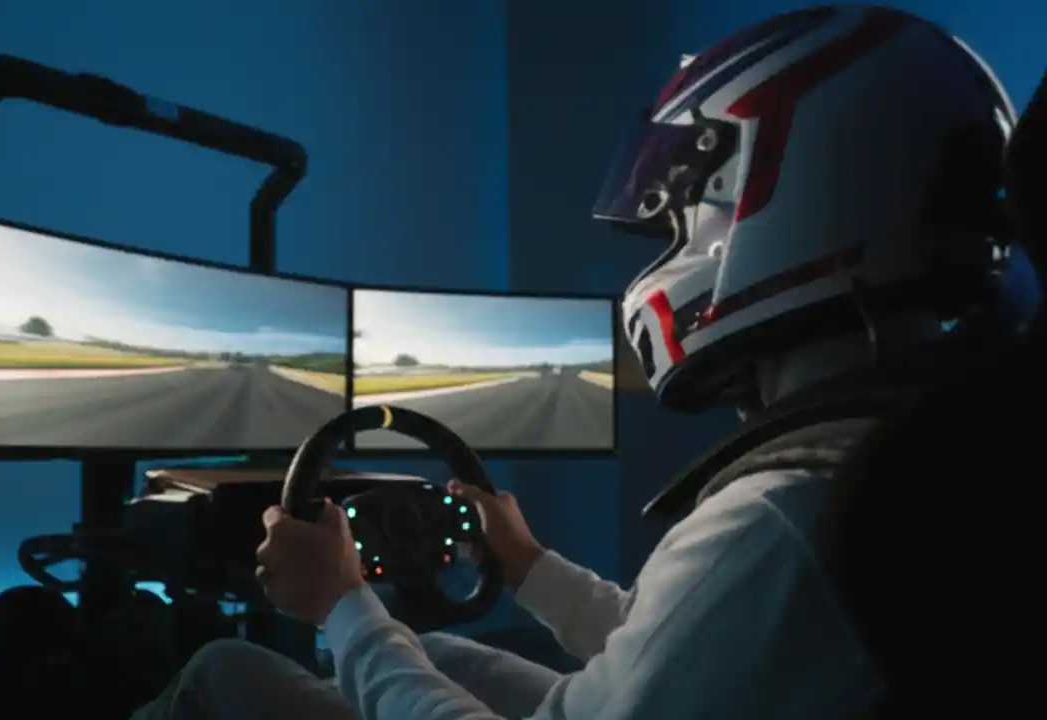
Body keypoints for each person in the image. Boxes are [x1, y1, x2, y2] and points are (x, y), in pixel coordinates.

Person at [130, 5, 1030, 718]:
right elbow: (682, 657)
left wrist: (341, 607)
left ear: (785, 198)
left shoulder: (782, 514)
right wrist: (527, 566)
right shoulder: (906, 455)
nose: (667, 248)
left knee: (222, 671)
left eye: (681, 216)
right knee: (432, 650)